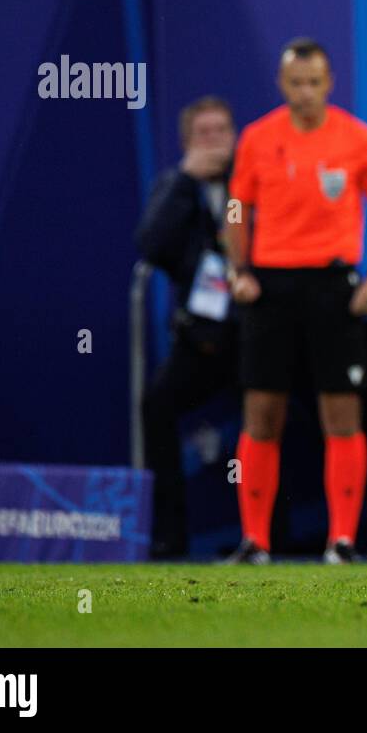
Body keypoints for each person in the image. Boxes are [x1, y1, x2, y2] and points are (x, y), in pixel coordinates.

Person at [224, 38, 367, 565]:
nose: (305, 93)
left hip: (331, 285)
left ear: (329, 83)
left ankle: (341, 541)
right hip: (270, 286)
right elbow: (236, 210)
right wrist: (240, 272)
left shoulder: (354, 137)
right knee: (261, 413)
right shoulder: (258, 138)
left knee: (341, 413)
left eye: (314, 83)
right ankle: (255, 541)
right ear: (283, 85)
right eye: (295, 83)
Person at [134, 96, 239, 559]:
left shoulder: (254, 184)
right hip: (202, 338)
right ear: (186, 143)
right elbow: (152, 246)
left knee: (275, 412)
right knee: (156, 405)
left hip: (256, 330)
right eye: (204, 134)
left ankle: (267, 537)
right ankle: (170, 537)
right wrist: (183, 179)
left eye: (221, 132)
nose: (214, 142)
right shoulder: (176, 188)